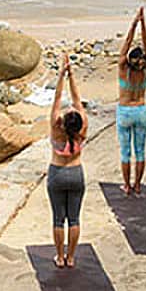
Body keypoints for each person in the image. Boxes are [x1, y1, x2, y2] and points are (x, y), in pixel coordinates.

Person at [48, 52, 88, 268]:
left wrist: (61, 76)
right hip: (76, 173)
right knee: (74, 219)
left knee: (57, 219)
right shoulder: (82, 128)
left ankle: (60, 257)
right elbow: (76, 100)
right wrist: (72, 76)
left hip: (57, 173)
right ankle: (71, 257)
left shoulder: (56, 128)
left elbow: (57, 99)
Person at [117, 7, 146, 195]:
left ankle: (126, 186)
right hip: (140, 111)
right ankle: (138, 185)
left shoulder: (124, 69)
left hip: (124, 111)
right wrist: (144, 25)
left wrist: (134, 23)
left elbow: (126, 43)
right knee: (140, 151)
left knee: (125, 152)